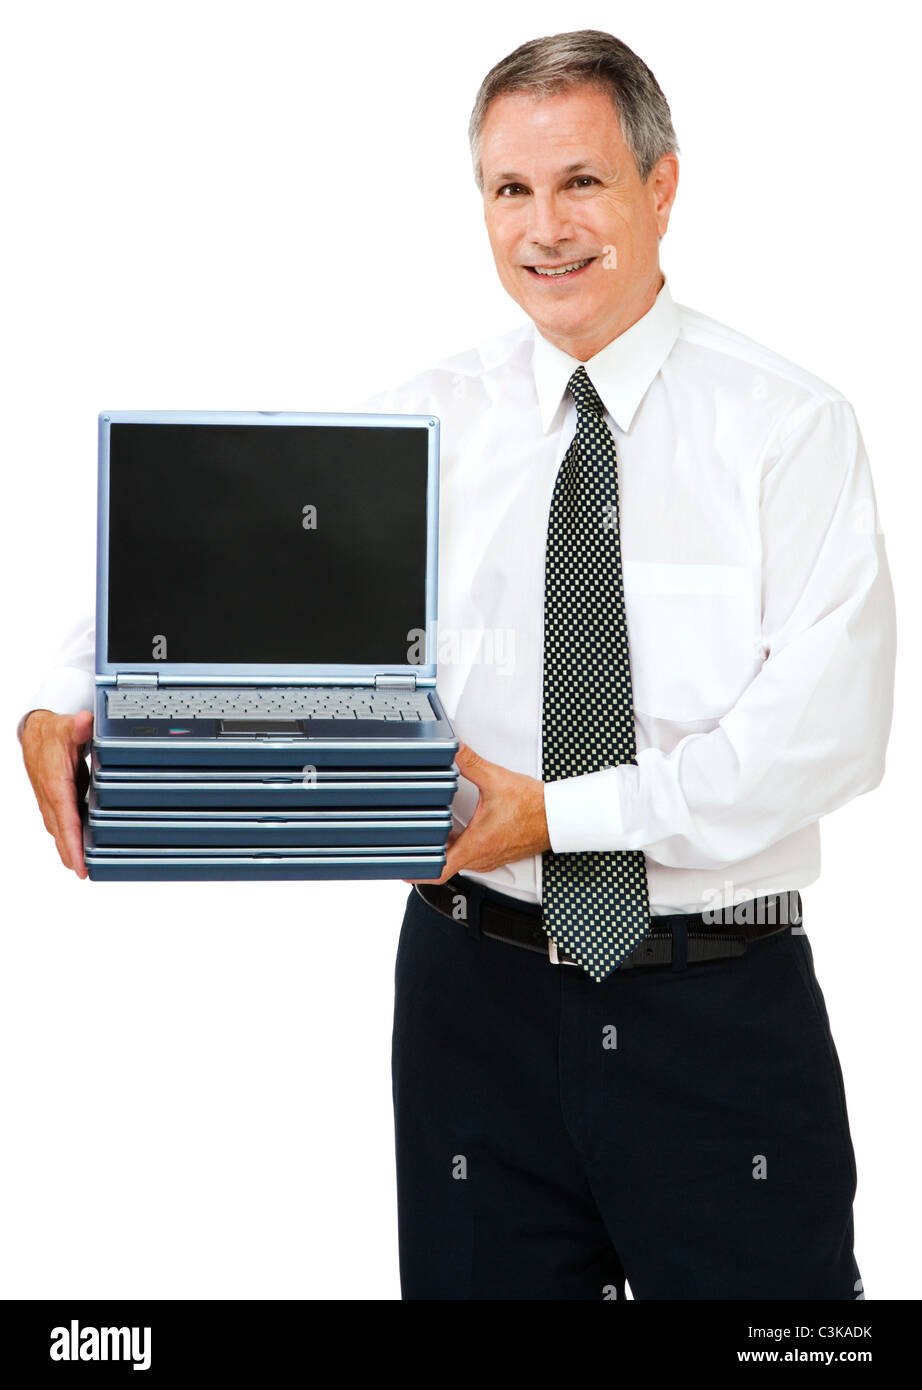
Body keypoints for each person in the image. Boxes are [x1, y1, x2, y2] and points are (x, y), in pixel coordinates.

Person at [20, 30, 896, 1300]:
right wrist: (67, 692)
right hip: (468, 1002)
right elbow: (249, 588)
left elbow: (826, 737)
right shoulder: (427, 423)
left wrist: (561, 815)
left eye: (582, 181)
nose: (546, 227)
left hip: (714, 1013)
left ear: (661, 187)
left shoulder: (789, 428)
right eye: (510, 190)